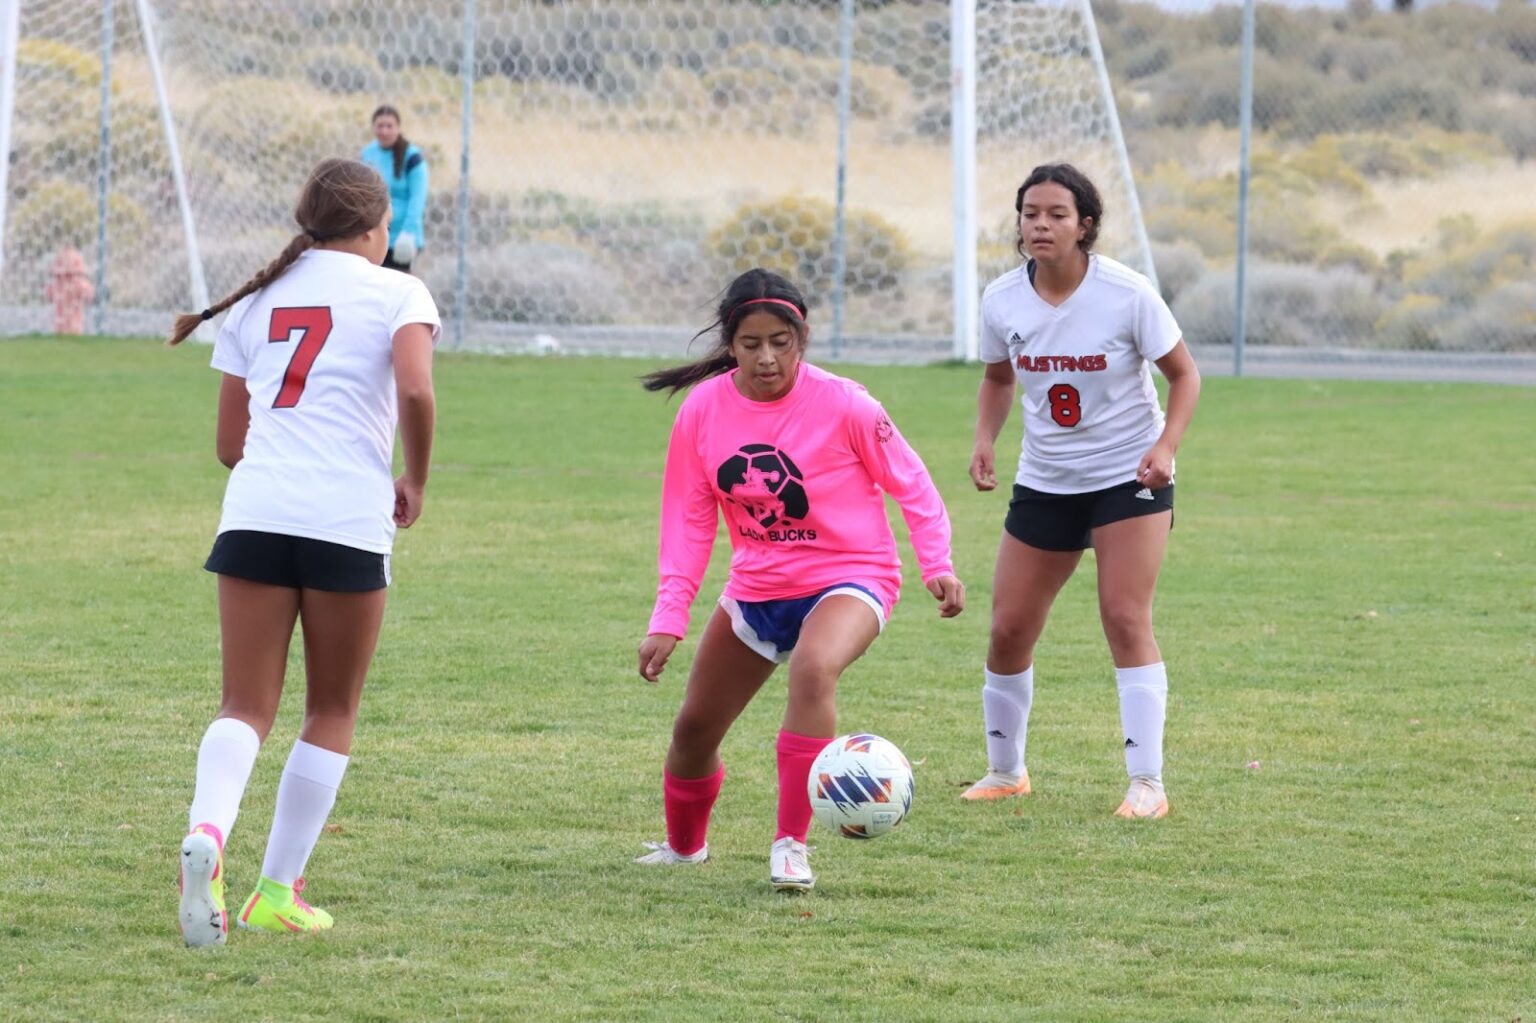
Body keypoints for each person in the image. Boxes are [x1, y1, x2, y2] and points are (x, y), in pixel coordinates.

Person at [168, 157, 439, 946]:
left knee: (243, 706)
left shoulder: (255, 297)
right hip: (345, 519)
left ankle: (209, 835)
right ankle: (274, 893)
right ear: (373, 227)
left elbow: (229, 443)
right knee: (330, 707)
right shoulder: (398, 291)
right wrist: (415, 478)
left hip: (254, 513)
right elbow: (417, 391)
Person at [634, 267, 966, 891]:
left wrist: (937, 563)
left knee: (815, 669)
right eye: (751, 344)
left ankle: (791, 845)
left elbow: (912, 482)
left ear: (803, 338)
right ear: (729, 345)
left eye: (780, 343)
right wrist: (668, 618)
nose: (767, 358)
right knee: (693, 729)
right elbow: (687, 522)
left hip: (852, 576)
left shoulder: (847, 404)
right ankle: (684, 850)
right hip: (758, 591)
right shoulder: (703, 412)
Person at [961, 163, 1201, 819]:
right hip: (1046, 479)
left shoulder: (1127, 293)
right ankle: (1006, 771)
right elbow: (997, 377)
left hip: (1129, 477)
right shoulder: (1002, 299)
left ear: (1085, 225)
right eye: (1030, 212)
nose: (1040, 224)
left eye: (1056, 214)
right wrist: (986, 437)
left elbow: (1184, 376)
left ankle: (1147, 784)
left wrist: (1166, 447)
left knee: (1125, 617)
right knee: (1009, 626)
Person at [359, 104, 428, 273]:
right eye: (380, 126)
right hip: (375, 234)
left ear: (398, 128)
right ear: (373, 128)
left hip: (401, 236)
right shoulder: (367, 154)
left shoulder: (412, 157)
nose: (384, 131)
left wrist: (408, 233)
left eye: (389, 126)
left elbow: (417, 199)